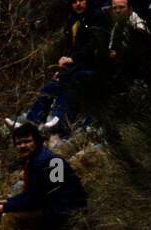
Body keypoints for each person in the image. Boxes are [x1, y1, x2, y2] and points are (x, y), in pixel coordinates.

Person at [0, 120, 87, 230]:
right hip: (56, 208)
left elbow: (37, 198)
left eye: (27, 141)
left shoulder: (47, 161)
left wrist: (5, 207)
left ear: (37, 141)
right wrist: (8, 202)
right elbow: (35, 193)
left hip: (63, 212)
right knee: (9, 212)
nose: (22, 146)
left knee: (9, 218)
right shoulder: (42, 159)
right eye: (18, 143)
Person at [25, 0, 108, 135]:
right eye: (74, 2)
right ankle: (32, 123)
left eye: (81, 0)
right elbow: (70, 48)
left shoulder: (97, 17)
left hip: (95, 67)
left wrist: (73, 60)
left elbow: (94, 47)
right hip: (77, 66)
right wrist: (64, 68)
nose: (78, 4)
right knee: (51, 85)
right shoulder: (73, 20)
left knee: (72, 81)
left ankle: (60, 122)